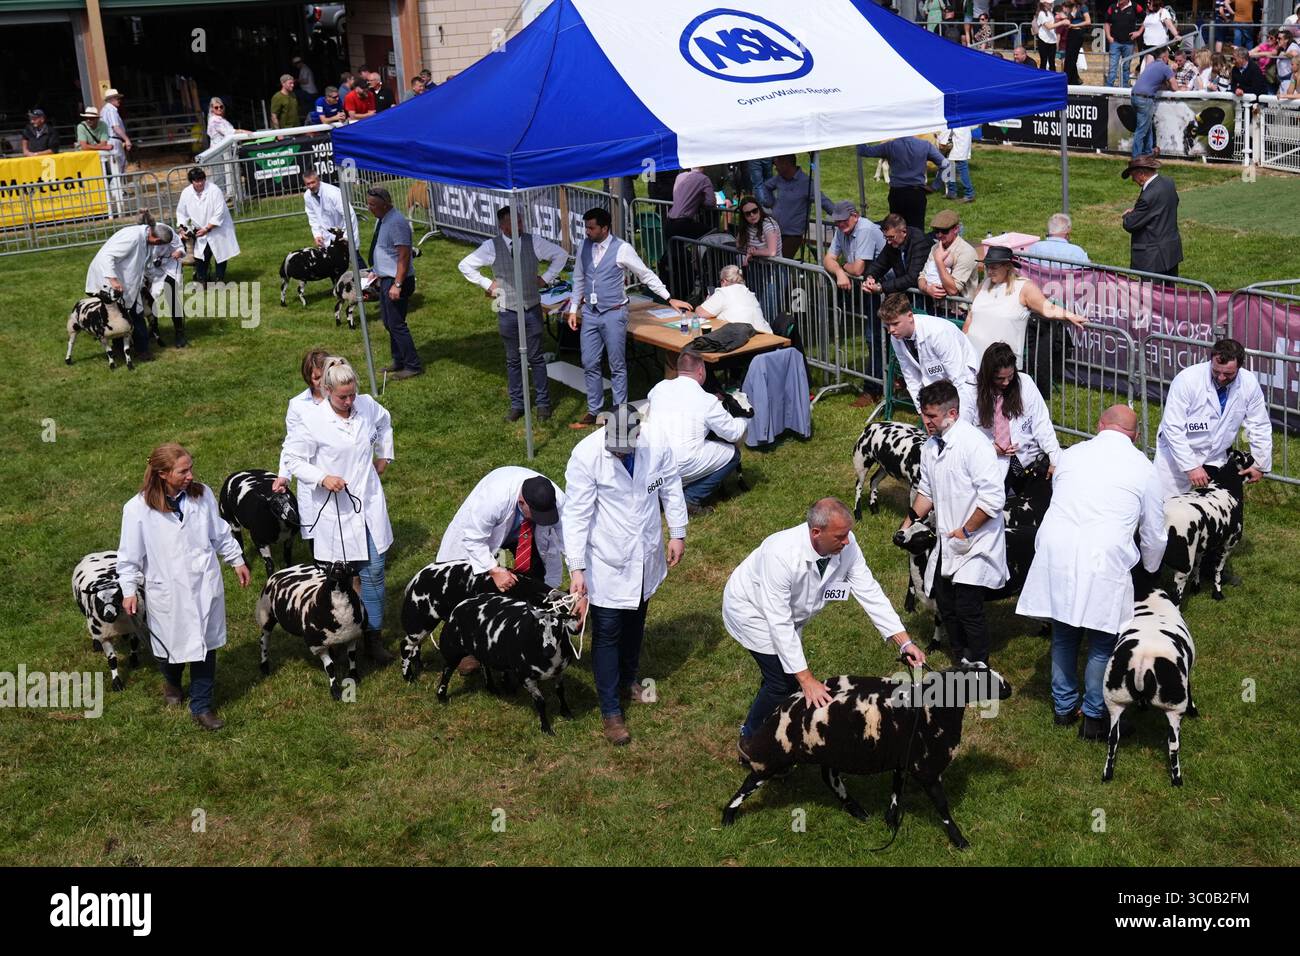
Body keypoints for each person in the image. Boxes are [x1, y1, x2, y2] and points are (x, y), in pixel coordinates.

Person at [727, 498, 922, 763]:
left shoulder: (846, 545)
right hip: (754, 614)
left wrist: (904, 642)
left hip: (789, 615)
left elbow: (869, 591)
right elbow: (779, 623)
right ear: (815, 532)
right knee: (781, 682)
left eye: (848, 534)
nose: (847, 542)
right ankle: (749, 739)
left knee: (784, 674)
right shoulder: (780, 554)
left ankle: (774, 731)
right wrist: (807, 680)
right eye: (840, 536)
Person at [1016, 405, 1166, 740]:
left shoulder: (1071, 455)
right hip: (1105, 554)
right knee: (1103, 637)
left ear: (1099, 426)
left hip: (1058, 547)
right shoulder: (1144, 468)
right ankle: (1095, 715)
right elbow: (1155, 532)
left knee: (1065, 631)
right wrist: (1151, 572)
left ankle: (1063, 707)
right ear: (1136, 435)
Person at [563, 404, 688, 746]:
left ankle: (629, 679)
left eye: (623, 447)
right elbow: (575, 515)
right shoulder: (586, 455)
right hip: (606, 559)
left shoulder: (656, 443)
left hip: (645, 551)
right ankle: (610, 711)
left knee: (636, 619)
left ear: (637, 435)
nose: (616, 452)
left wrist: (677, 532)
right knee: (606, 631)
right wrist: (576, 568)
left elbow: (671, 486)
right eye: (612, 445)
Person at [117, 443, 251, 730]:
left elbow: (219, 531)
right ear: (163, 474)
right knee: (171, 646)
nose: (191, 475)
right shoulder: (137, 509)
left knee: (205, 646)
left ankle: (201, 707)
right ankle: (173, 683)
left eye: (191, 468)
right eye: (184, 471)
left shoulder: (202, 495)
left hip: (204, 584)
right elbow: (129, 556)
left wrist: (236, 560)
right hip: (168, 589)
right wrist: (129, 589)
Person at [282, 357, 396, 663]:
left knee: (373, 573)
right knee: (339, 580)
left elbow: (385, 422)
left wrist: (384, 455)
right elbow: (293, 460)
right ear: (326, 390)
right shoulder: (312, 420)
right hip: (335, 511)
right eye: (342, 397)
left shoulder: (367, 405)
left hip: (368, 503)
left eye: (352, 394)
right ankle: (339, 637)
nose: (348, 401)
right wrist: (322, 477)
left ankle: (373, 637)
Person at [900, 380, 1007, 666]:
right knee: (946, 605)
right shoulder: (930, 448)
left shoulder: (975, 446)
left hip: (977, 541)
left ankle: (979, 666)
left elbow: (993, 499)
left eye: (932, 416)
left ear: (952, 414)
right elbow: (926, 493)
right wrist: (906, 524)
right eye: (924, 413)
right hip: (950, 542)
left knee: (968, 608)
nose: (925, 420)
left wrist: (966, 530)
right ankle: (961, 658)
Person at [565, 207, 691, 428]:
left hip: (614, 313)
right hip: (590, 313)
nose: (587, 231)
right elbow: (578, 278)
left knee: (617, 364)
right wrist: (574, 308)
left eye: (591, 227)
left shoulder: (622, 249)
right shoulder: (584, 245)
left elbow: (646, 274)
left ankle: (619, 413)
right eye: (586, 227)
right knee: (589, 362)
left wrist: (669, 298)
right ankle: (594, 411)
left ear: (605, 228)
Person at [457, 205, 568, 420]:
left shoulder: (533, 241)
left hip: (531, 306)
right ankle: (517, 404)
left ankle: (543, 403)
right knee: (513, 359)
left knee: (536, 357)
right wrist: (487, 284)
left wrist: (546, 278)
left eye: (520, 221)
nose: (519, 225)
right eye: (514, 222)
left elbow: (560, 255)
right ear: (502, 225)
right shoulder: (491, 246)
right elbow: (465, 265)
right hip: (506, 308)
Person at [1153, 338, 1271, 498]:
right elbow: (1172, 428)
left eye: (1228, 374)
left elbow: (1259, 425)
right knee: (1163, 507)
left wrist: (1260, 464)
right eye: (1216, 371)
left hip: (1216, 456)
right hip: (1176, 454)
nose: (1221, 378)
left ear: (1240, 366)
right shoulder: (1187, 380)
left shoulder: (1249, 383)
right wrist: (1191, 467)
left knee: (1217, 511)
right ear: (1211, 361)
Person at [645, 351, 746, 515]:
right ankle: (691, 498)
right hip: (682, 462)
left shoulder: (659, 387)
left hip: (653, 461)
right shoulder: (706, 401)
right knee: (733, 454)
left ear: (679, 369)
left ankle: (663, 492)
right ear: (701, 371)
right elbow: (733, 434)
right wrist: (744, 418)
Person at [436, 467, 566, 590]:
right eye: (536, 514)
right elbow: (473, 539)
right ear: (521, 502)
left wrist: (578, 574)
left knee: (538, 572)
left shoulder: (556, 500)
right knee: (469, 579)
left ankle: (533, 603)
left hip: (525, 532)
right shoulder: (493, 499)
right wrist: (493, 569)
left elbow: (570, 538)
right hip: (487, 531)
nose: (541, 520)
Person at [964, 246, 1087, 371]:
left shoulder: (1024, 287)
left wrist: (1070, 315)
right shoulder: (983, 285)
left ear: (1007, 266)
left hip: (1002, 365)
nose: (989, 271)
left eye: (994, 267)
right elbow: (970, 317)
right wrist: (963, 344)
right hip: (973, 358)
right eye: (987, 266)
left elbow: (1047, 307)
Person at [968, 341, 1062, 489]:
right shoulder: (970, 392)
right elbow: (964, 434)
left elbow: (1042, 424)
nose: (1006, 382)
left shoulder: (1025, 383)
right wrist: (990, 448)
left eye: (1010, 376)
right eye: (999, 378)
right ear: (988, 375)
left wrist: (1055, 460)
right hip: (989, 463)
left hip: (1028, 459)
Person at [85, 221, 172, 359]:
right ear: (156, 239)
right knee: (125, 315)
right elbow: (106, 256)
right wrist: (113, 280)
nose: (158, 246)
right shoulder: (132, 237)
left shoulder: (145, 238)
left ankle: (135, 349)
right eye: (159, 243)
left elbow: (143, 263)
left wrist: (148, 281)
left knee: (130, 313)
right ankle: (136, 350)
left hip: (127, 281)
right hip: (110, 280)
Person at [880, 292, 978, 412]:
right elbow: (910, 375)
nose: (891, 330)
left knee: (962, 424)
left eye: (895, 324)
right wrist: (921, 411)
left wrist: (959, 414)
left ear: (910, 316)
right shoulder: (896, 338)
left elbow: (958, 377)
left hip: (966, 383)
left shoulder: (938, 333)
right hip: (937, 385)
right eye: (887, 325)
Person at [271, 349, 330, 534]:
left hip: (339, 467)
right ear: (308, 378)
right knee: (318, 529)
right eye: (317, 377)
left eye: (326, 376)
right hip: (311, 474)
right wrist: (284, 475)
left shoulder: (344, 398)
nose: (322, 382)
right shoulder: (298, 405)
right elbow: (291, 443)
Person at [365, 186, 422, 380]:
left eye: (372, 204)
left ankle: (412, 365)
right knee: (389, 322)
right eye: (368, 203)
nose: (369, 208)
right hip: (385, 278)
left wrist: (397, 284)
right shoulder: (382, 221)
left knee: (397, 323)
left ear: (385, 204)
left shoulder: (396, 222)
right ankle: (399, 360)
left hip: (397, 280)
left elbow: (404, 256)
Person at [856, 136, 948, 230]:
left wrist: (860, 134)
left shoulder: (890, 146)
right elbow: (946, 165)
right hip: (916, 194)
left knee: (897, 230)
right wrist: (934, 186)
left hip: (897, 194)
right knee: (916, 231)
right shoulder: (925, 145)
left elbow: (864, 151)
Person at [176, 166, 240, 285]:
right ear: (192, 182)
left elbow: (219, 212)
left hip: (218, 228)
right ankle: (202, 279)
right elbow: (181, 212)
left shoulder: (214, 190)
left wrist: (208, 227)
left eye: (202, 180)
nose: (200, 183)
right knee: (201, 255)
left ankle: (219, 279)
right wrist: (182, 227)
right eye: (197, 181)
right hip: (200, 229)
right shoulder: (186, 193)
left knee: (220, 253)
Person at [1120, 154, 1182, 276]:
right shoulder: (1168, 183)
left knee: (1150, 294)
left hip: (1152, 260)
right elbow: (1169, 204)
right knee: (1170, 293)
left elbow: (1130, 224)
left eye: (1133, 176)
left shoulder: (1148, 197)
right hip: (1171, 253)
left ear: (1141, 174)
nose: (1133, 180)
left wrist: (1127, 216)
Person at [763, 154, 835, 259]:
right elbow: (766, 187)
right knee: (770, 261)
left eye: (777, 164)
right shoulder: (779, 179)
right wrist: (770, 203)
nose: (775, 168)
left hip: (793, 235)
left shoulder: (806, 183)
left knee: (780, 262)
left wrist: (841, 215)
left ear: (786, 164)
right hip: (775, 230)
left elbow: (823, 201)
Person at [663, 166, 717, 298]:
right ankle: (700, 265)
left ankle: (677, 292)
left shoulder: (680, 176)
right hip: (683, 222)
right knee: (713, 234)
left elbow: (677, 195)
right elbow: (711, 202)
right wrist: (700, 200)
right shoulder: (704, 179)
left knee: (675, 259)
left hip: (669, 221)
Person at [863, 213, 933, 297]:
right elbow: (879, 264)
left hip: (926, 294)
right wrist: (870, 277)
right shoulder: (892, 243)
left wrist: (881, 287)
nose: (888, 242)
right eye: (886, 237)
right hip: (907, 292)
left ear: (903, 232)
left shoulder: (919, 242)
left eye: (891, 237)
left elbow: (913, 277)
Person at [822, 201, 885, 291]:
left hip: (886, 283)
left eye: (844, 220)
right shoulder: (841, 230)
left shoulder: (865, 229)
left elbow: (857, 270)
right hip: (869, 284)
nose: (841, 224)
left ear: (855, 216)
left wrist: (844, 266)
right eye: (837, 221)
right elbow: (827, 259)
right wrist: (839, 272)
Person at [918, 209, 979, 303]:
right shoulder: (935, 248)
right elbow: (922, 276)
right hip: (935, 306)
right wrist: (927, 289)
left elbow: (952, 290)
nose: (939, 235)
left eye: (944, 231)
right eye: (936, 231)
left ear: (956, 229)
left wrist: (939, 261)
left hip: (959, 311)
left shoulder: (967, 252)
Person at [694, 264, 773, 333]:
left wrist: (708, 301)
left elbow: (700, 313)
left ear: (724, 281)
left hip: (742, 338)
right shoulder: (749, 293)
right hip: (765, 334)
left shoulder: (723, 292)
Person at [1130, 48, 1177, 158]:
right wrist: (1173, 72)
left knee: (1148, 125)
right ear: (1165, 57)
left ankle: (1148, 152)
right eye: (1168, 57)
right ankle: (1136, 157)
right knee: (1142, 129)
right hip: (1145, 99)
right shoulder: (1165, 68)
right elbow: (1175, 87)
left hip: (1135, 96)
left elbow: (1154, 83)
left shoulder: (1150, 65)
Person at [303, 169, 360, 249]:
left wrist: (347, 237)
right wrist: (317, 235)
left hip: (343, 235)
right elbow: (313, 218)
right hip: (326, 240)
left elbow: (350, 215)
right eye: (308, 184)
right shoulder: (307, 196)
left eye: (313, 182)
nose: (311, 186)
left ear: (318, 180)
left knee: (355, 260)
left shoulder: (333, 193)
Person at [99, 89, 131, 208]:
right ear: (112, 99)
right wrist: (126, 139)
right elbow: (115, 127)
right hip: (113, 139)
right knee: (118, 165)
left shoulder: (104, 110)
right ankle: (117, 191)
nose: (119, 100)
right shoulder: (111, 110)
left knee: (114, 166)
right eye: (117, 98)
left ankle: (116, 190)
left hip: (109, 139)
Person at [1022, 213, 1092, 265]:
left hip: (1039, 284)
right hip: (1068, 284)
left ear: (1050, 229)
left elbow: (1026, 268)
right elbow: (1087, 273)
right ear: (1068, 230)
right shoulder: (1077, 251)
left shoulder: (1035, 247)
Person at [936, 125, 975, 202]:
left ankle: (969, 194)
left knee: (961, 166)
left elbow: (946, 130)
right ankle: (952, 192)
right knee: (951, 166)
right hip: (959, 137)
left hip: (958, 140)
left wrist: (941, 143)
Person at [1138, 0, 1179, 65]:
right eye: (1147, 3)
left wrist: (1176, 35)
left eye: (1149, 3)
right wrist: (1139, 32)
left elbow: (1169, 25)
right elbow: (1145, 24)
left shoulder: (1163, 12)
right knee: (1147, 68)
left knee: (1151, 68)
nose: (1148, 4)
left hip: (1158, 46)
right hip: (1147, 45)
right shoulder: (1149, 14)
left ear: (1156, 2)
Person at [1063, 1, 1093, 86]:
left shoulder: (1083, 7)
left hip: (1078, 33)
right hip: (1071, 33)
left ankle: (1070, 79)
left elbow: (1088, 21)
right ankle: (1074, 79)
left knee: (1072, 58)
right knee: (1069, 57)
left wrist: (1074, 25)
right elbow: (1068, 20)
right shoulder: (1072, 7)